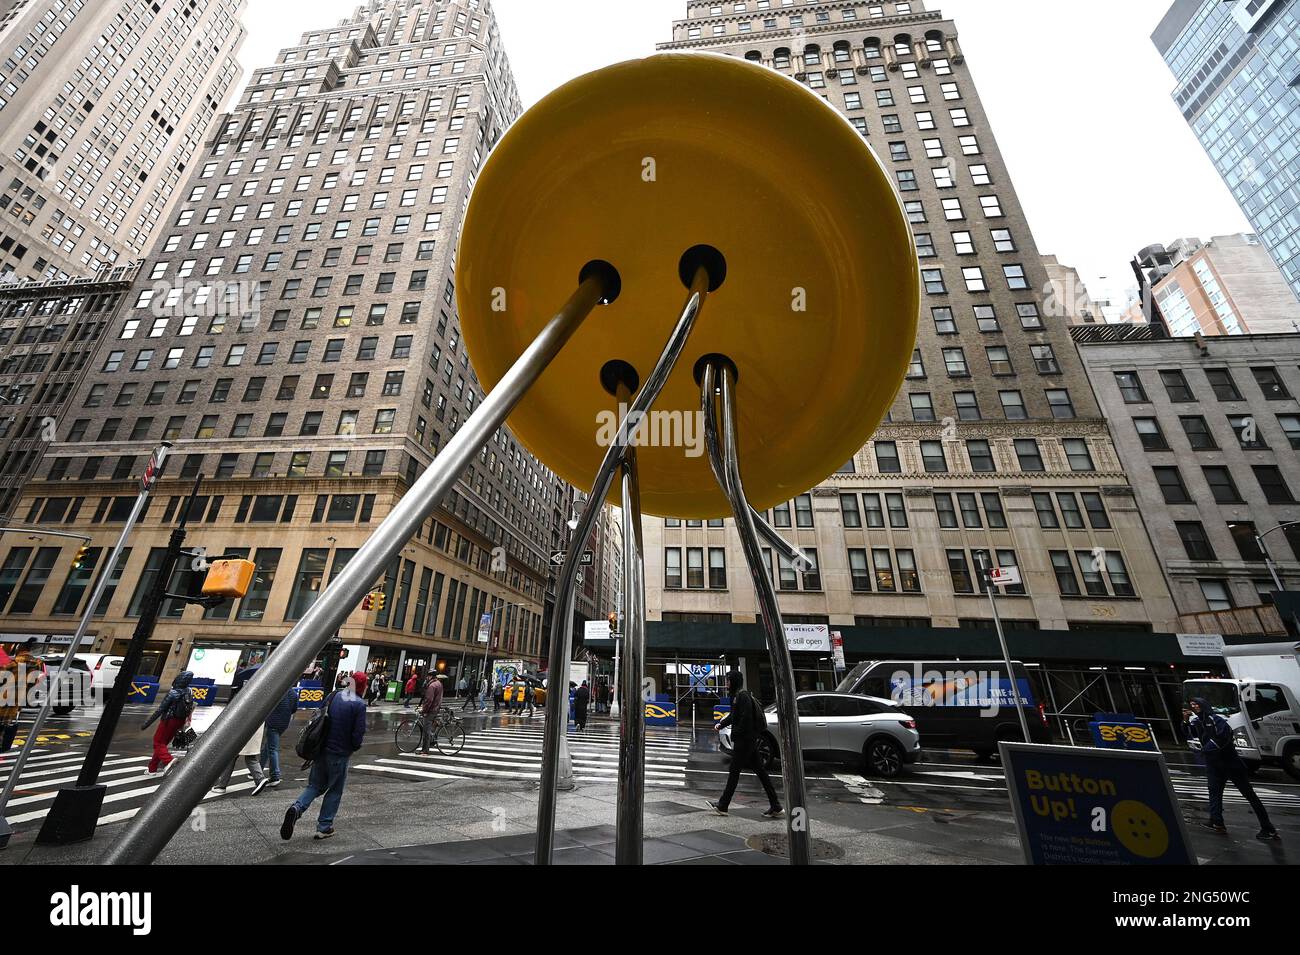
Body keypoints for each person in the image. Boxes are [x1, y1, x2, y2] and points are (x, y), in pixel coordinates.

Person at [281, 671, 368, 841]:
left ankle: (296, 808)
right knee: (334, 790)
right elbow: (358, 734)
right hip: (340, 753)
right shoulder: (358, 704)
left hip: (321, 749)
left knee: (314, 785)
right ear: (363, 686)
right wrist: (354, 746)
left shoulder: (333, 696)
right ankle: (324, 826)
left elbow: (320, 716)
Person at [1184, 698, 1279, 840]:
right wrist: (1185, 721)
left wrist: (1205, 749)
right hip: (1214, 765)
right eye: (1192, 705)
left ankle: (1268, 827)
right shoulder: (1198, 721)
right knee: (1214, 792)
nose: (1194, 706)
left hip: (1230, 764)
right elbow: (1190, 733)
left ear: (1203, 705)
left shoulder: (1215, 719)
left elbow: (1222, 738)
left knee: (1249, 794)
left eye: (1196, 704)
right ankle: (1217, 822)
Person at [708, 671, 782, 818]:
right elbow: (734, 716)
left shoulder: (742, 696)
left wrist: (737, 735)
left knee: (734, 772)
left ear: (734, 681)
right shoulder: (737, 696)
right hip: (748, 741)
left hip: (745, 741)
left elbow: (745, 719)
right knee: (760, 772)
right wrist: (721, 724)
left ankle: (723, 805)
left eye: (728, 681)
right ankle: (776, 805)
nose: (726, 683)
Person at [141, 671, 195, 775]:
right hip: (180, 720)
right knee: (162, 744)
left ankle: (169, 760)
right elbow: (191, 707)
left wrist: (147, 724)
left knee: (158, 742)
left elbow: (160, 710)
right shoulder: (189, 691)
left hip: (168, 720)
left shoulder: (172, 693)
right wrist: (188, 720)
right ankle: (152, 768)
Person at [1, 638, 43, 753]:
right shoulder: (37, 664)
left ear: (20, 648)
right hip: (16, 703)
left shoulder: (12, 664)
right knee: (8, 726)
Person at [261, 681, 299, 788]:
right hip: (284, 723)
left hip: (273, 722)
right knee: (268, 746)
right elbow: (294, 709)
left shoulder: (277, 692)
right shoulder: (293, 694)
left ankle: (275, 776)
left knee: (273, 749)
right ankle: (258, 769)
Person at [420, 672, 445, 751]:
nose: (427, 677)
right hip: (436, 708)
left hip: (431, 710)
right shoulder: (439, 684)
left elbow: (429, 700)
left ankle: (425, 750)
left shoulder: (432, 686)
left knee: (426, 730)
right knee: (430, 727)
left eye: (427, 676)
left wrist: (424, 710)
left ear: (430, 676)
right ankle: (432, 740)